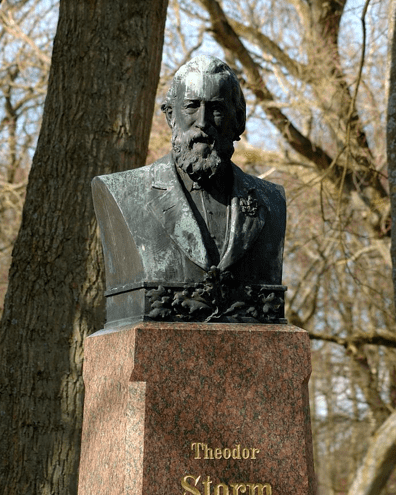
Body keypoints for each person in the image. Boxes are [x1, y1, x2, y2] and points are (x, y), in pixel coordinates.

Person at [91, 56, 287, 326]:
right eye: (192, 106)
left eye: (216, 108)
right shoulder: (124, 191)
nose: (203, 122)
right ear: (171, 114)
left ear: (238, 119)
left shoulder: (270, 201)